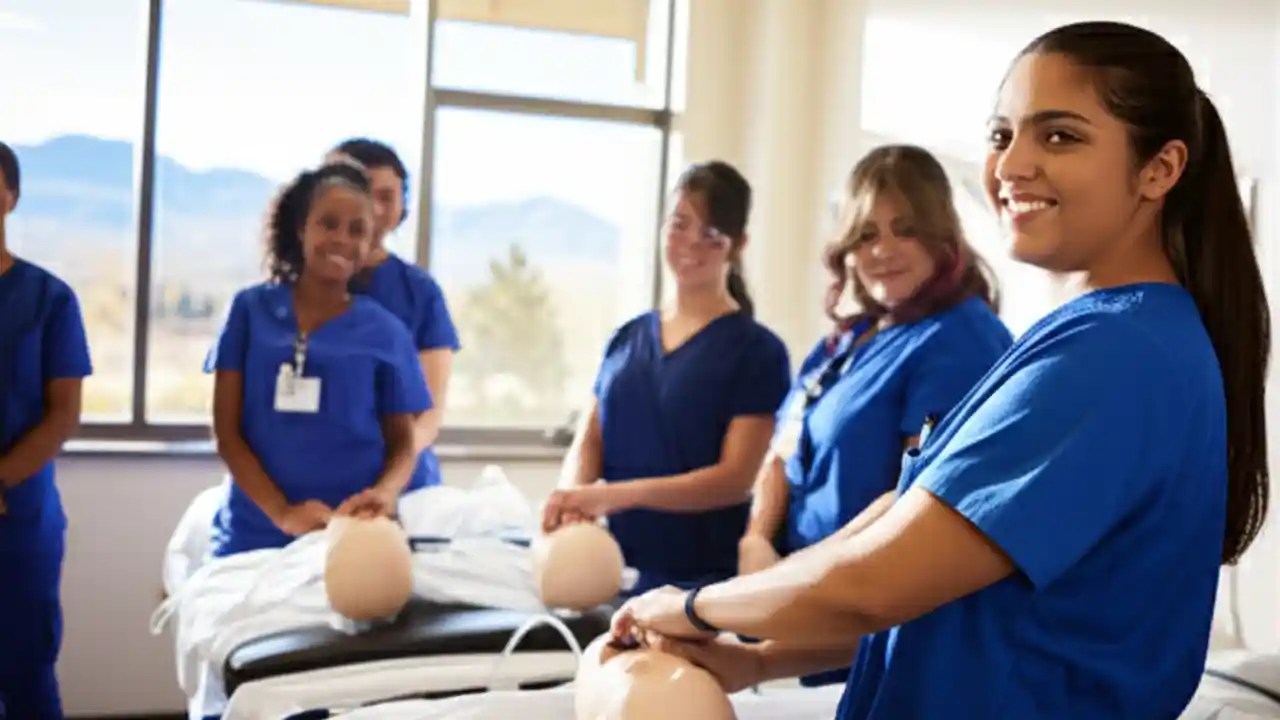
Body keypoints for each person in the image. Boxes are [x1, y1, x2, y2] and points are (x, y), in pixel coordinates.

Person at [609, 21, 1270, 720]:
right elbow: (934, 574)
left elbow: (880, 581)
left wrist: (695, 606)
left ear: (1160, 169)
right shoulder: (1088, 338)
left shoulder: (1117, 355)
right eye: (1000, 135)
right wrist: (760, 658)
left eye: (1059, 136)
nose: (1011, 165)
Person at [736, 145, 1012, 687]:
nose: (882, 250)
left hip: (864, 638)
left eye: (904, 229)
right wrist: (756, 543)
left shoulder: (960, 341)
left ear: (942, 235)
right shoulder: (852, 338)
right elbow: (782, 453)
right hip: (793, 617)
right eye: (866, 234)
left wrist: (791, 588)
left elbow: (916, 515)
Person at [541, 161, 791, 596]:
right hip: (613, 573)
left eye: (712, 233)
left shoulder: (757, 352)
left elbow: (734, 479)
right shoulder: (626, 338)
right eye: (679, 225)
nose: (691, 243)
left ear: (738, 245)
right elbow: (590, 441)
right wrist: (574, 499)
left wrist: (614, 496)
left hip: (702, 584)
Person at [205, 161, 433, 557]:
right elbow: (227, 433)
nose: (342, 239)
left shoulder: (387, 332)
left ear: (369, 245)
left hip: (352, 535)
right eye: (328, 224)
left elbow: (403, 443)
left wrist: (383, 495)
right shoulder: (249, 311)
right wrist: (283, 513)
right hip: (255, 537)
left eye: (357, 230)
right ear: (301, 228)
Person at [0, 141, 93, 718]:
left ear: (9, 197)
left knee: (25, 675)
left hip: (18, 519)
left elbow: (63, 415)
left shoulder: (49, 299)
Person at [328, 139, 459, 489]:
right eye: (359, 191)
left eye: (386, 196)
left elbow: (428, 413)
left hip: (401, 484)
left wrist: (387, 473)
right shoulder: (280, 296)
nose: (371, 208)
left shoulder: (419, 293)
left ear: (403, 206)